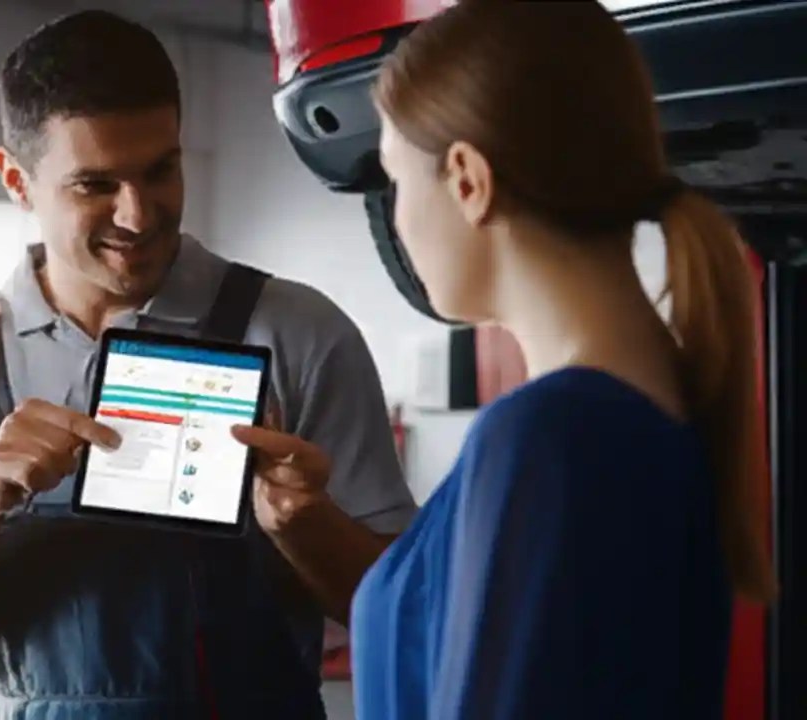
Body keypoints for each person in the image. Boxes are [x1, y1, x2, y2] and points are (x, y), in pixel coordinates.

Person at [0, 10, 415, 719]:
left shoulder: (300, 331)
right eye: (94, 185)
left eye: (161, 171)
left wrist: (304, 523)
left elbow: (409, 612)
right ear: (16, 180)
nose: (138, 215)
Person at [231, 1, 777, 718]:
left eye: (397, 180)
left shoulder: (549, 437)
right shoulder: (649, 402)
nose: (396, 217)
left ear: (466, 179)